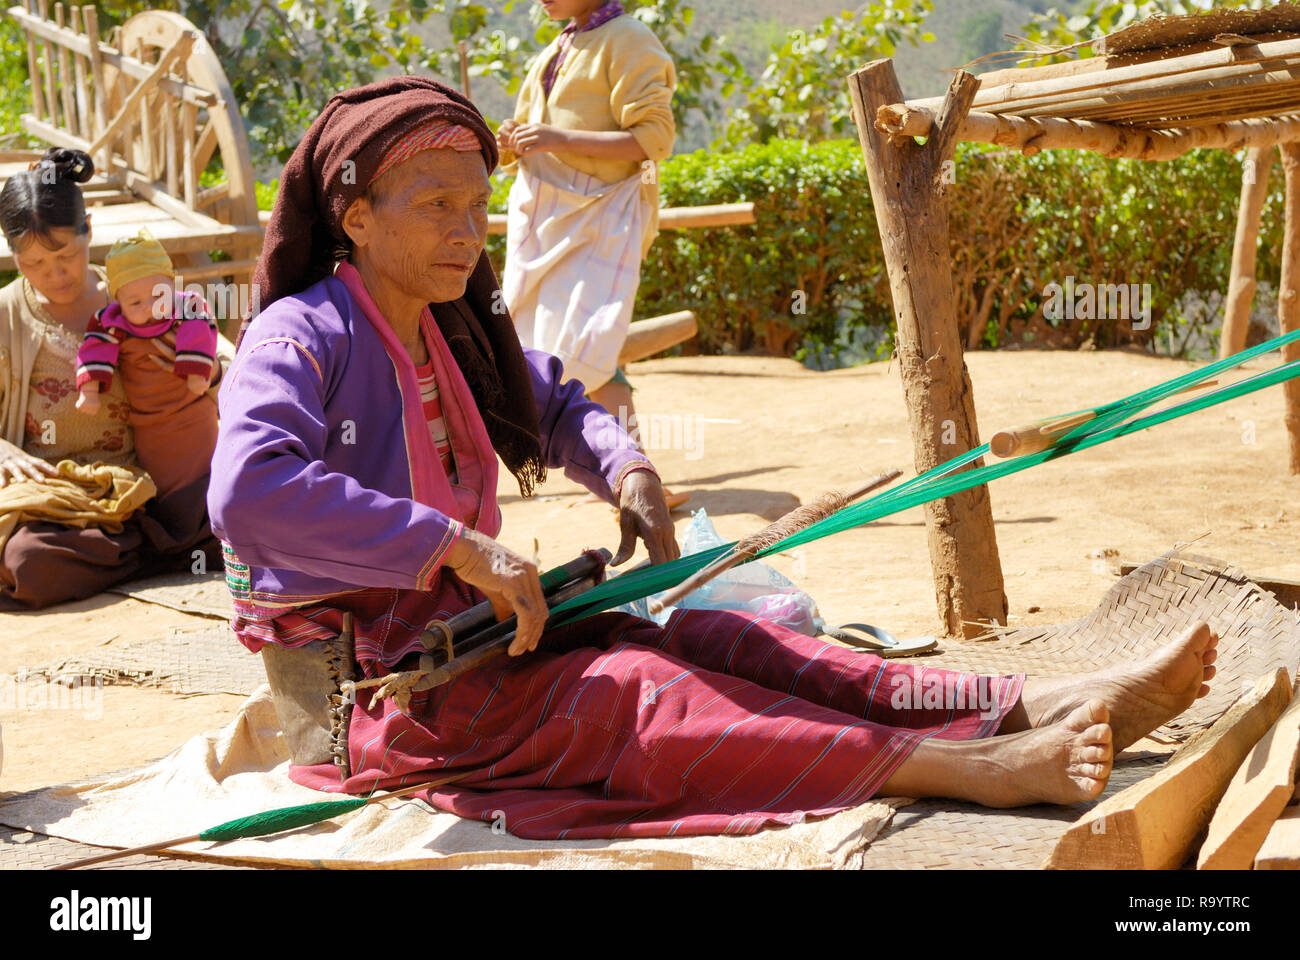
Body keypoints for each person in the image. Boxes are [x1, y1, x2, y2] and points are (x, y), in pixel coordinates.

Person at [208, 78, 1218, 841]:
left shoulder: (450, 329)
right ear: (352, 216)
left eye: (479, 206)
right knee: (633, 692)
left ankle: (1027, 703)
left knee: (728, 642)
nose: (469, 233)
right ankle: (967, 771)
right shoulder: (300, 337)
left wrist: (629, 471)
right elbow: (247, 489)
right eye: (436, 207)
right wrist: (459, 547)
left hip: (468, 647)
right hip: (376, 708)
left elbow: (556, 404)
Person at [0, 147, 230, 610]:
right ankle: (166, 551)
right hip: (62, 497)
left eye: (65, 254)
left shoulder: (139, 293)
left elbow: (229, 363)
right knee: (29, 559)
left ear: (89, 232)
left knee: (252, 505)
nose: (55, 274)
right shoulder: (8, 314)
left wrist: (207, 370)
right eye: (34, 265)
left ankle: (151, 546)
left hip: (154, 483)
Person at [499, 0, 689, 508]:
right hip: (548, 223)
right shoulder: (558, 46)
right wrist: (512, 142)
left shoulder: (629, 39)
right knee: (583, 348)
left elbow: (654, 139)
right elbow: (530, 138)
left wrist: (555, 137)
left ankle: (633, 474)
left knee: (590, 342)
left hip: (599, 219)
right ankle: (632, 473)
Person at [75, 229, 219, 498]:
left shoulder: (187, 307)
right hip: (149, 424)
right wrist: (89, 391)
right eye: (135, 303)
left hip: (193, 410)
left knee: (207, 473)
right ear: (118, 302)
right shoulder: (112, 323)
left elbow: (201, 331)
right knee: (163, 481)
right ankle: (174, 518)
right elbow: (94, 348)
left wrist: (198, 372)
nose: (150, 308)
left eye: (158, 296)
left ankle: (209, 514)